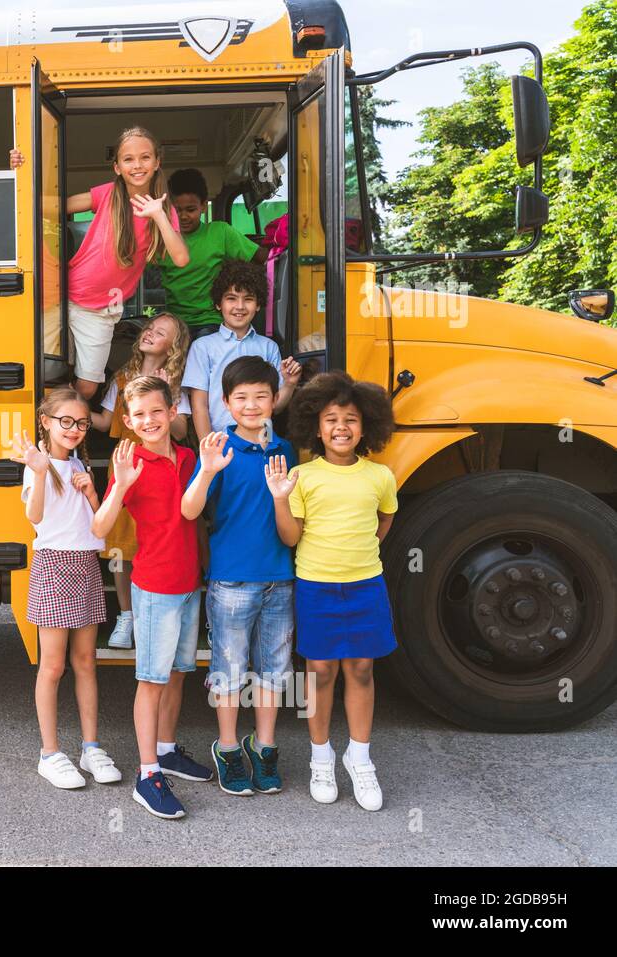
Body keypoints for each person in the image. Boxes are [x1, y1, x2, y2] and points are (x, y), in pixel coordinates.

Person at [267, 370, 399, 812]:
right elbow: (290, 538)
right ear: (315, 426)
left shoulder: (380, 475)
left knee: (361, 668)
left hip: (365, 585)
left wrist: (359, 554)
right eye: (331, 419)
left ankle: (359, 758)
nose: (341, 427)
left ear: (366, 427)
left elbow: (383, 522)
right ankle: (320, 756)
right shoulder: (302, 476)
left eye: (351, 419)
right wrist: (281, 498)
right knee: (321, 671)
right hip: (317, 586)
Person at [91, 376, 213, 820]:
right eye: (139, 415)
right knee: (152, 679)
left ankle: (165, 750)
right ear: (127, 421)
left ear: (173, 410)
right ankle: (147, 776)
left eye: (157, 411)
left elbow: (192, 514)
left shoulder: (186, 458)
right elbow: (100, 529)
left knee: (180, 672)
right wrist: (121, 484)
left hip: (187, 584)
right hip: (154, 587)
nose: (149, 420)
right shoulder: (129, 463)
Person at [181, 356, 295, 796]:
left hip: (279, 577)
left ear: (274, 400)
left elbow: (289, 522)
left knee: (274, 671)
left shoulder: (284, 450)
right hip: (231, 580)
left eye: (261, 396)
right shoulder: (218, 447)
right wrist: (208, 470)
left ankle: (264, 748)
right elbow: (190, 510)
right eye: (241, 397)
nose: (251, 405)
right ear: (226, 402)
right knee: (229, 671)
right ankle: (228, 748)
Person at [13, 128, 190, 399]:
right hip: (59, 295)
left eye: (145, 157)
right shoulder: (108, 194)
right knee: (41, 373)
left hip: (98, 311)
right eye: (128, 159)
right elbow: (54, 205)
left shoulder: (163, 209)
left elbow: (181, 258)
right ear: (117, 167)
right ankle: (48, 430)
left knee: (88, 385)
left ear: (157, 162)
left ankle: (67, 425)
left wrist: (158, 215)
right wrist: (20, 173)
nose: (137, 165)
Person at [10, 388, 122, 790]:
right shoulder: (37, 465)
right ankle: (50, 753)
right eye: (66, 421)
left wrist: (92, 492)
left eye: (82, 423)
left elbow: (98, 529)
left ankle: (91, 747)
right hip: (54, 566)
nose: (74, 429)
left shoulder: (80, 465)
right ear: (46, 421)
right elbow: (35, 517)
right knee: (53, 666)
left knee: (87, 661)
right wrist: (40, 471)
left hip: (86, 566)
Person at [90, 312, 191, 649]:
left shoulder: (175, 381)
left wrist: (169, 392)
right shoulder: (123, 377)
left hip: (159, 467)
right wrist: (68, 406)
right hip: (124, 466)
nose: (149, 333)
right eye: (149, 328)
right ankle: (126, 615)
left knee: (150, 539)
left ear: (172, 347)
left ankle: (154, 607)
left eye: (160, 332)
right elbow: (105, 423)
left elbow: (181, 430)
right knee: (120, 545)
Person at [183, 259, 302, 438]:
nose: (239, 306)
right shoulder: (203, 347)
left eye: (248, 299)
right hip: (220, 443)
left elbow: (275, 406)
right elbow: (199, 405)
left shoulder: (268, 347)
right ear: (218, 303)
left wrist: (290, 384)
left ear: (258, 305)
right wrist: (207, 449)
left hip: (262, 443)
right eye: (231, 298)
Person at [156, 168, 269, 340]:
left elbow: (263, 258)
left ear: (203, 206)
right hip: (174, 321)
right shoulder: (159, 240)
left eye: (190, 209)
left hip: (210, 322)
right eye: (177, 210)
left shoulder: (220, 233)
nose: (183, 216)